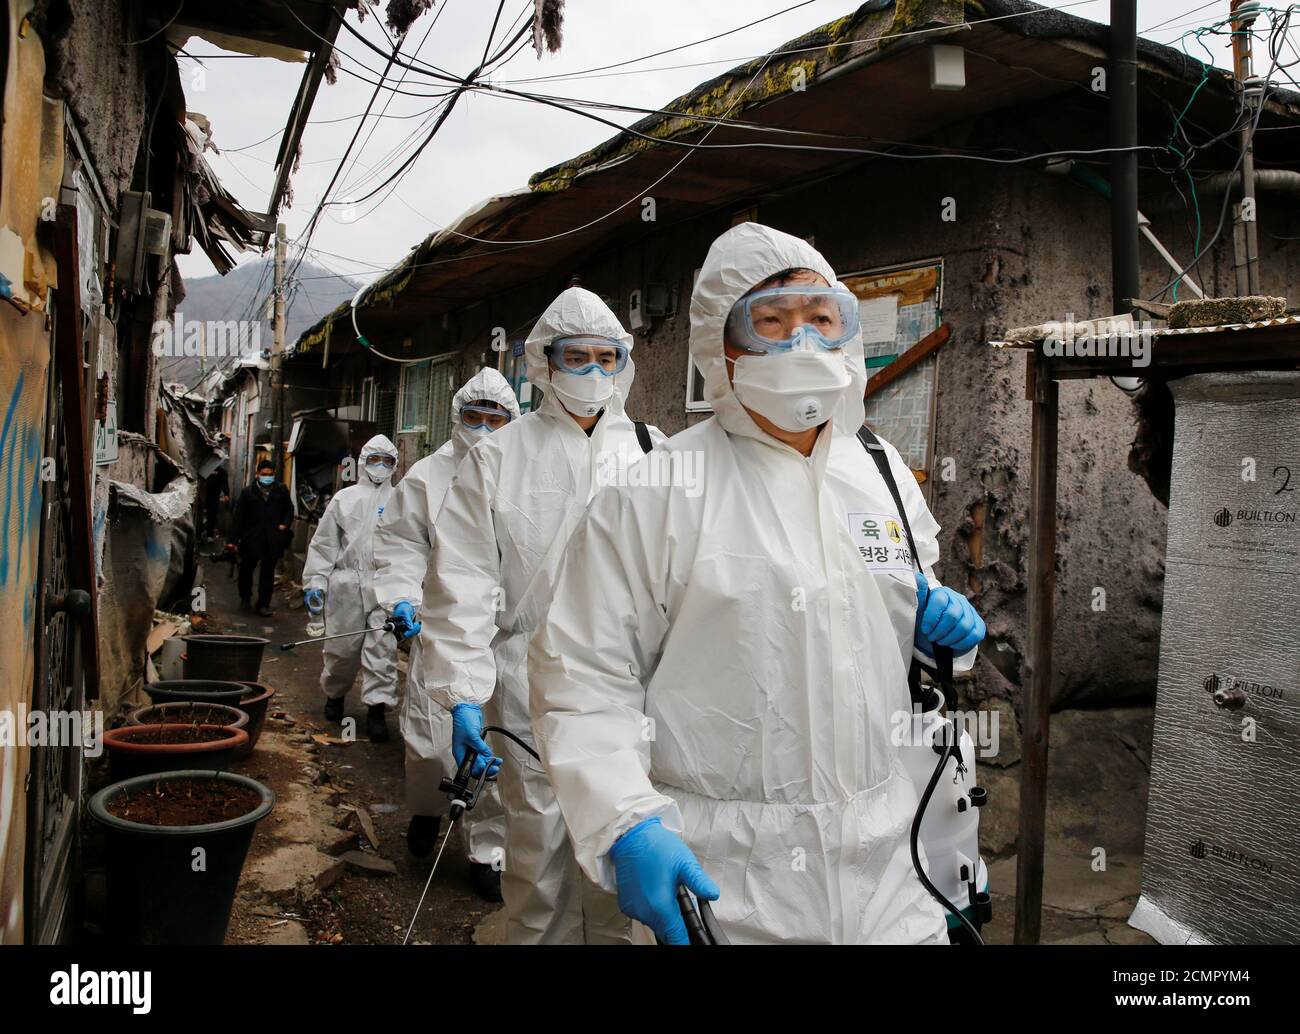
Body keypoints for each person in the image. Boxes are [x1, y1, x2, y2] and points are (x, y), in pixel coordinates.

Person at [527, 223, 987, 945]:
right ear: (722, 343)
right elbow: (583, 679)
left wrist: (939, 628)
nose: (802, 344)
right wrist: (626, 823)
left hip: (892, 870)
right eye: (771, 322)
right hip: (729, 882)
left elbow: (909, 622)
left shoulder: (881, 474)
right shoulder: (656, 490)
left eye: (821, 319)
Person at [421, 286, 665, 944]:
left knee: (624, 851)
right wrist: (464, 694)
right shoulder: (499, 456)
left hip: (631, 684)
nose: (591, 372)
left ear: (624, 364)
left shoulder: (653, 451)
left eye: (605, 357)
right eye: (575, 356)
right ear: (543, 363)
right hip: (528, 682)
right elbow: (464, 582)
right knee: (540, 860)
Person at [373, 368, 520, 901]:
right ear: (456, 419)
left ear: (512, 420)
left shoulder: (521, 472)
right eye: (473, 419)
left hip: (504, 634)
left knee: (491, 745)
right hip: (443, 626)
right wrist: (401, 597)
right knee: (431, 741)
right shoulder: (427, 477)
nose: (484, 429)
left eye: (495, 419)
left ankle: (488, 851)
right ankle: (427, 810)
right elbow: (400, 545)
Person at [302, 434, 400, 742]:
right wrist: (315, 582)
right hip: (345, 583)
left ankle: (376, 709)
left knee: (381, 651)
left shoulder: (402, 499)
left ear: (395, 465)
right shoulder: (343, 500)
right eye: (374, 460)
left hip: (384, 584)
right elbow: (324, 545)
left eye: (387, 461)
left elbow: (410, 547)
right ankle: (335, 695)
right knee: (341, 649)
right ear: (362, 463)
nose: (380, 467)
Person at [232, 458, 294, 616]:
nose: (267, 477)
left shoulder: (281, 490)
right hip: (251, 538)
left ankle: (263, 604)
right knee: (246, 570)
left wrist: (285, 524)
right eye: (264, 474)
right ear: (258, 474)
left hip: (272, 538)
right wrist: (232, 541)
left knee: (267, 573)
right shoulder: (247, 493)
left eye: (270, 474)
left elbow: (289, 509)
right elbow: (238, 518)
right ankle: (245, 598)